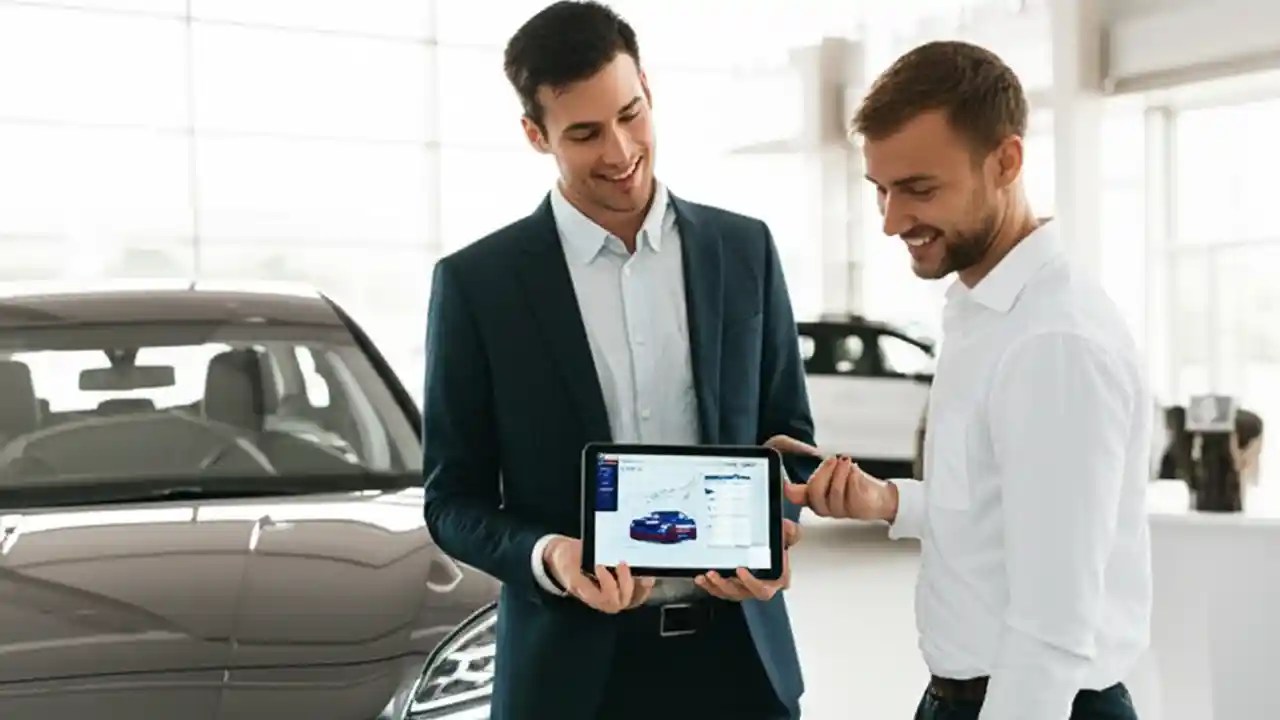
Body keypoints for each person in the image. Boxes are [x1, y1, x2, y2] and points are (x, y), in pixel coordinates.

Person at [421, 3, 816, 719]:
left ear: (649, 92)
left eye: (631, 114)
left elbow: (790, 442)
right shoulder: (479, 285)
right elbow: (452, 501)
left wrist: (778, 528)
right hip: (570, 680)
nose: (620, 150)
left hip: (741, 666)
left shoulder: (744, 251)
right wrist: (550, 556)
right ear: (535, 135)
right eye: (585, 132)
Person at [773, 41, 1152, 719]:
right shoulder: (984, 309)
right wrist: (888, 502)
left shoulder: (1051, 340)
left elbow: (1054, 626)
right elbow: (997, 508)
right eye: (881, 191)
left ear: (1006, 161)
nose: (891, 221)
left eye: (919, 189)